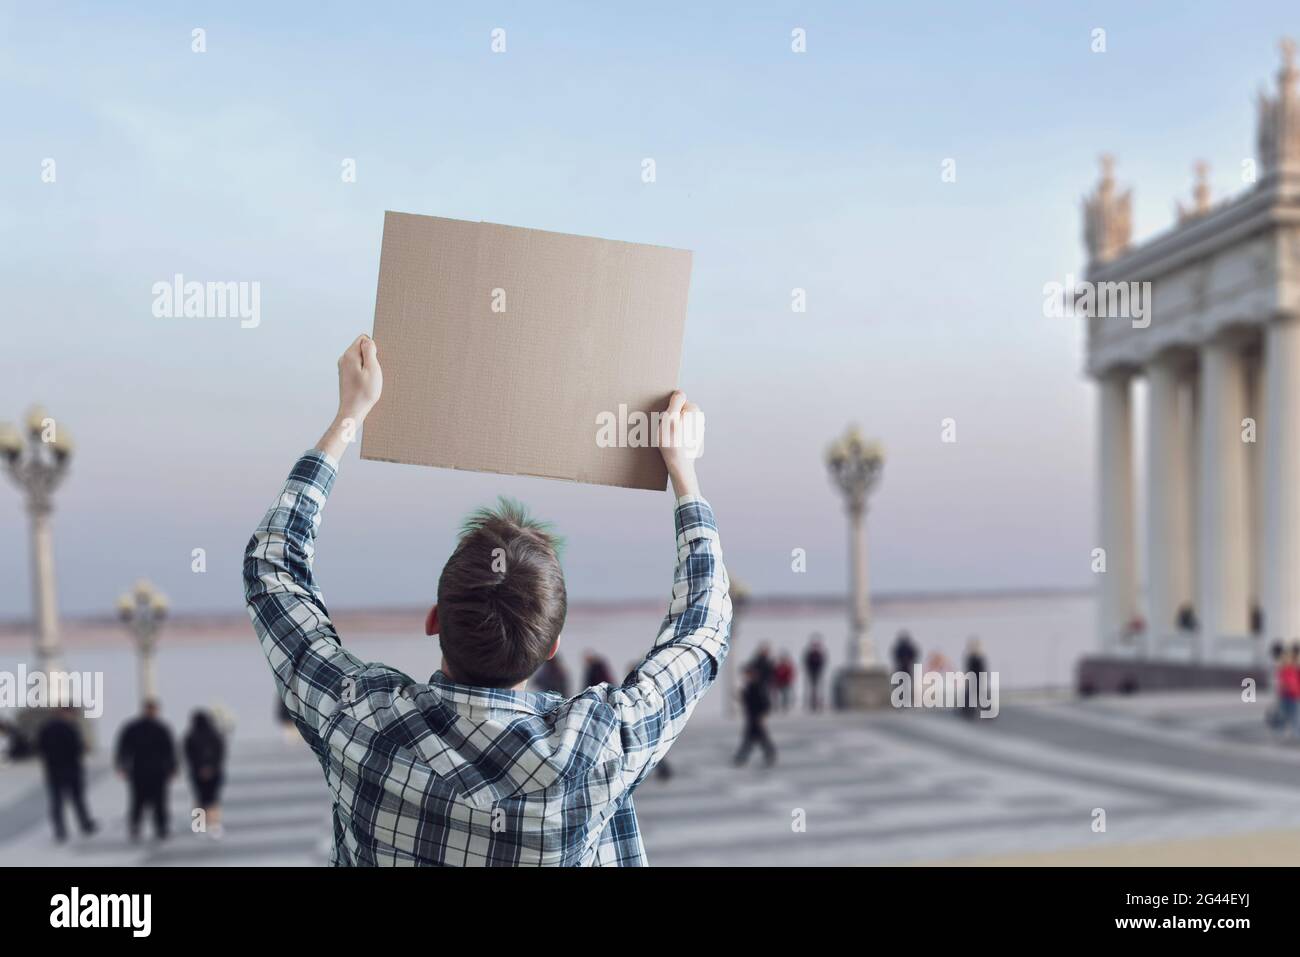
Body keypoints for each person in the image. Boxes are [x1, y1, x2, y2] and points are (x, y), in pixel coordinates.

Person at [244, 335, 729, 866]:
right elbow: (701, 632)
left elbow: (273, 569)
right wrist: (682, 470)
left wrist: (347, 418)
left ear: (434, 620)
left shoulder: (363, 725)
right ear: (551, 648)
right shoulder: (592, 753)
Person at [115, 700, 178, 841]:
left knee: (154, 802)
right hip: (145, 771)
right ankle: (141, 828)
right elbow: (124, 749)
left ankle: (157, 828)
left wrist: (172, 768)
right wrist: (122, 766)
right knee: (141, 802)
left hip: (149, 771)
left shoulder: (155, 728)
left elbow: (170, 751)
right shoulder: (156, 728)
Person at [36, 707, 97, 842]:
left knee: (57, 801)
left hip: (54, 769)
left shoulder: (46, 728)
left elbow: (40, 747)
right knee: (77, 799)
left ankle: (60, 830)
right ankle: (85, 824)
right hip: (71, 768)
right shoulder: (71, 728)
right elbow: (78, 747)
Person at [183, 710, 227, 839]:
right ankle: (215, 826)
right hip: (215, 773)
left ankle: (199, 826)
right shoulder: (216, 736)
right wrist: (212, 768)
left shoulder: (190, 737)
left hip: (196, 773)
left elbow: (189, 757)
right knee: (213, 799)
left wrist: (199, 769)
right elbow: (220, 755)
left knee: (199, 798)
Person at [733, 665, 776, 767]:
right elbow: (748, 701)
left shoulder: (758, 686)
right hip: (751, 717)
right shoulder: (750, 686)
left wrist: (762, 715)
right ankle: (742, 757)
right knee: (755, 738)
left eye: (748, 674)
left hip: (756, 717)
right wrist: (740, 696)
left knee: (754, 738)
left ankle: (741, 758)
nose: (746, 677)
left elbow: (765, 702)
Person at [963, 638, 988, 720]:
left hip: (977, 681)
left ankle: (970, 711)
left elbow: (982, 670)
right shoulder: (972, 658)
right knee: (971, 697)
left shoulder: (978, 658)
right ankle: (968, 712)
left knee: (979, 695)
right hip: (974, 681)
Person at [803, 635, 826, 711]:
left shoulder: (820, 654)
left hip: (818, 674)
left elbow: (823, 663)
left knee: (819, 689)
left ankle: (819, 704)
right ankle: (812, 705)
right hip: (811, 674)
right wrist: (809, 671)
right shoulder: (810, 654)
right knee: (812, 690)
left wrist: (820, 670)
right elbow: (806, 663)